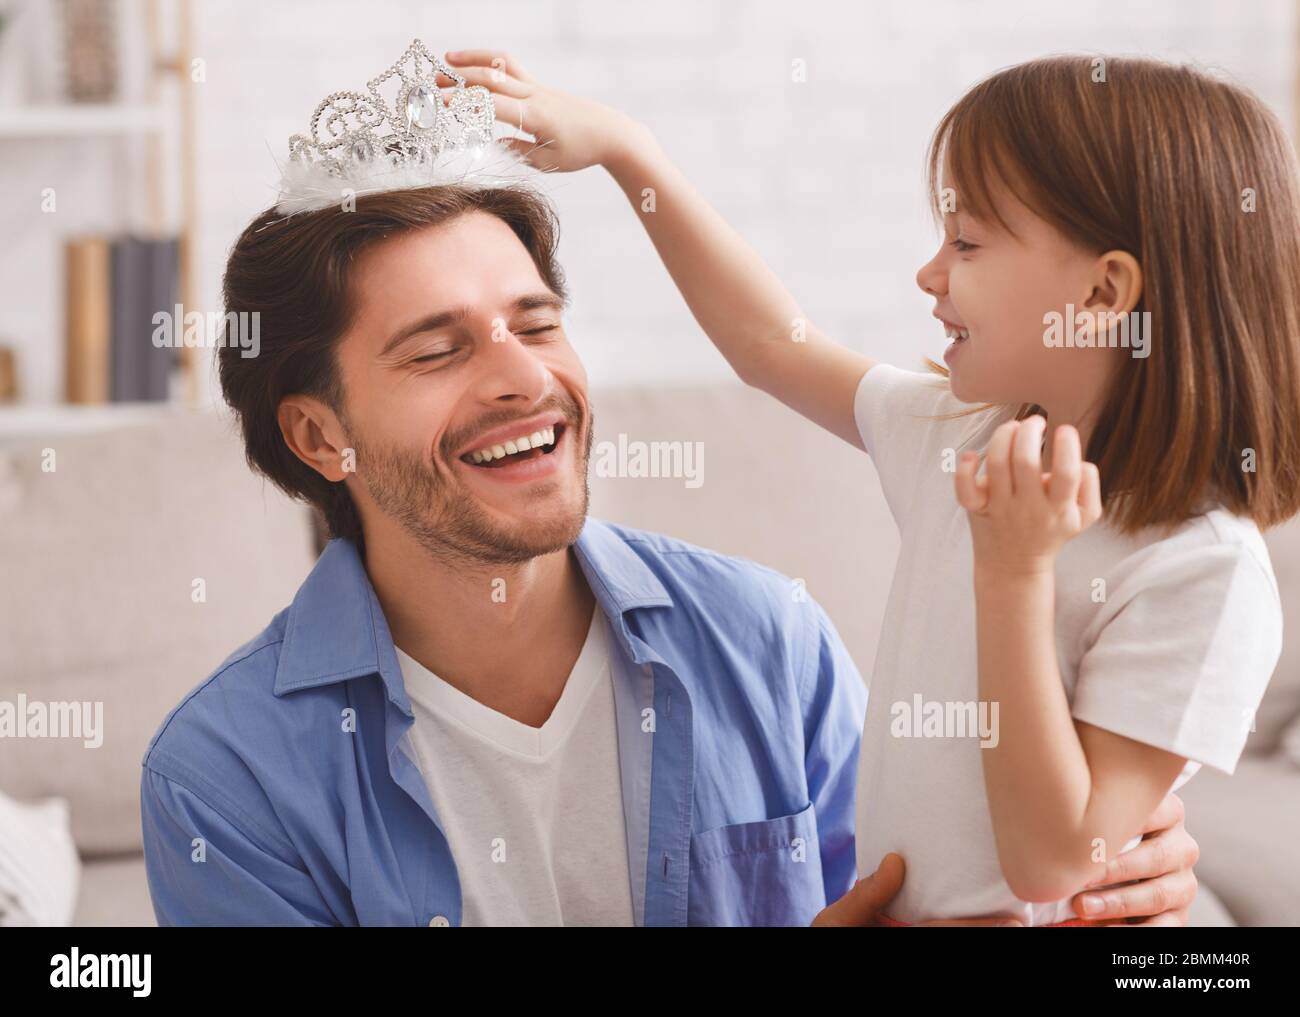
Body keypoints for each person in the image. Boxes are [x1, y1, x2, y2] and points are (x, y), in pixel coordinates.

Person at [140, 60, 1200, 928]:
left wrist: (1108, 879)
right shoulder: (224, 781)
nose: (522, 376)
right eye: (436, 350)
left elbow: (966, 869)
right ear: (321, 434)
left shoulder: (769, 643)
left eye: (537, 321)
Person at [444, 48, 1293, 925]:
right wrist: (631, 153)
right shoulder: (964, 436)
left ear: (1103, 292)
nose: (931, 274)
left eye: (967, 243)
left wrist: (1012, 573)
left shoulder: (1202, 571)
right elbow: (772, 344)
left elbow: (1052, 860)